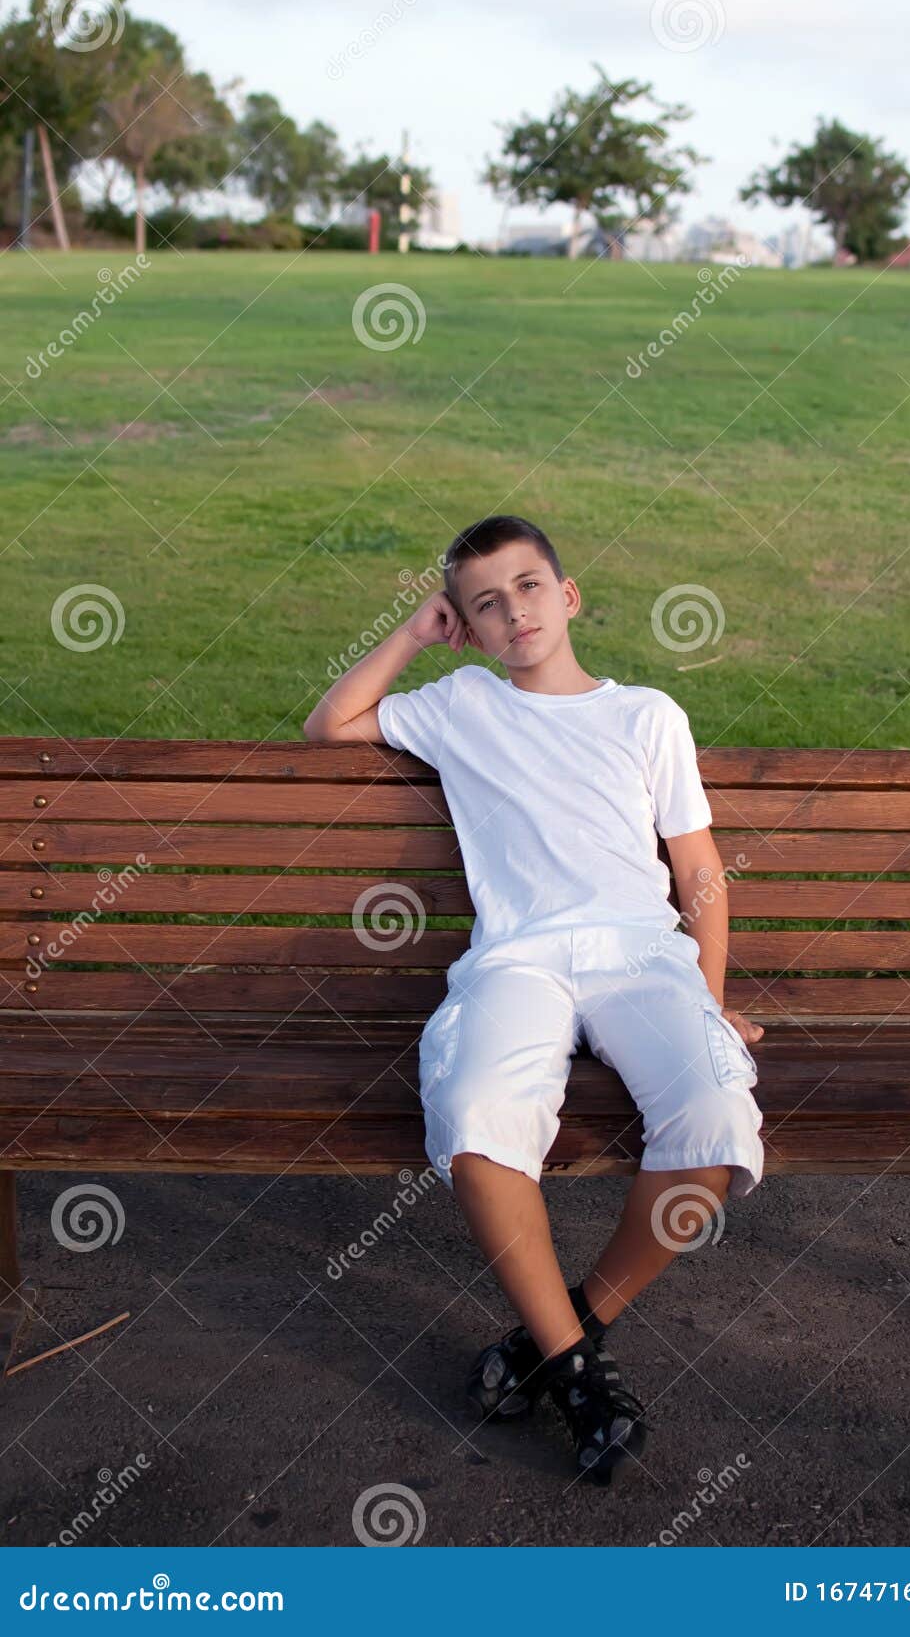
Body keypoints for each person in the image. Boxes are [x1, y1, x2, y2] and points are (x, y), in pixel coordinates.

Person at [303, 514, 765, 1488]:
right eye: (482, 602)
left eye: (526, 586)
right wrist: (411, 636)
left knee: (717, 1118)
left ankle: (563, 1335)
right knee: (476, 1113)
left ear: (567, 597)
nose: (511, 609)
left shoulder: (647, 715)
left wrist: (709, 997)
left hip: (642, 956)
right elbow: (330, 725)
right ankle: (582, 1382)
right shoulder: (462, 703)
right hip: (520, 955)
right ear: (465, 625)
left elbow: (699, 871)